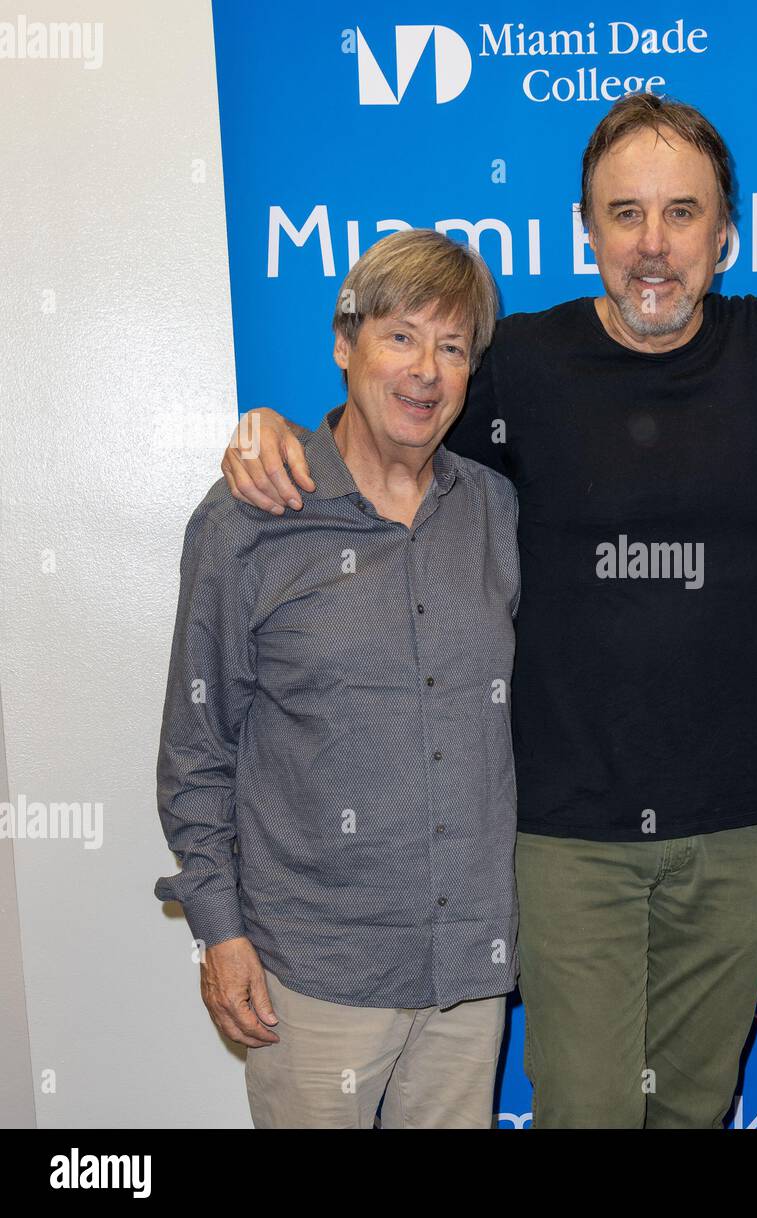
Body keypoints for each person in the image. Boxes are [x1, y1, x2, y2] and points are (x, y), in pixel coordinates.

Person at [220, 95, 757, 1128]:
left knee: (693, 1111)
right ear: (586, 230)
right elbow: (393, 422)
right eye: (625, 214)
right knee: (586, 1112)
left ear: (725, 232)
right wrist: (275, 431)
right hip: (565, 838)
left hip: (736, 834)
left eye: (681, 213)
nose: (653, 245)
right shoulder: (521, 365)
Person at [156, 229, 519, 1128]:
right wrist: (220, 929)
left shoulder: (495, 509)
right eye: (400, 337)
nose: (426, 372)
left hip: (467, 969)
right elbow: (196, 748)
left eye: (451, 348)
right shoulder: (250, 520)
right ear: (344, 343)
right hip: (312, 973)